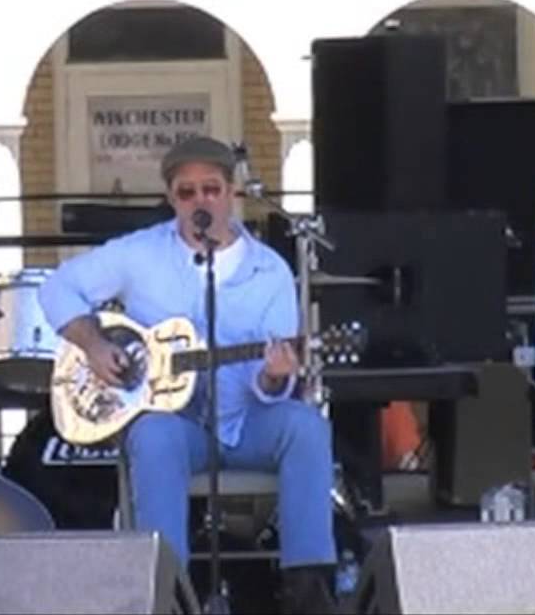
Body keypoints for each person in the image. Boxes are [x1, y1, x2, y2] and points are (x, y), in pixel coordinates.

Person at [38, 136, 338, 614]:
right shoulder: (140, 254)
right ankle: (166, 594)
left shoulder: (270, 271)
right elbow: (58, 288)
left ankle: (309, 593)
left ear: (232, 191)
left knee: (307, 427)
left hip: (246, 423)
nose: (201, 201)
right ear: (170, 198)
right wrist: (94, 344)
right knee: (154, 435)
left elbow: (271, 389)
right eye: (187, 192)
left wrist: (276, 376)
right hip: (175, 425)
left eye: (211, 189)